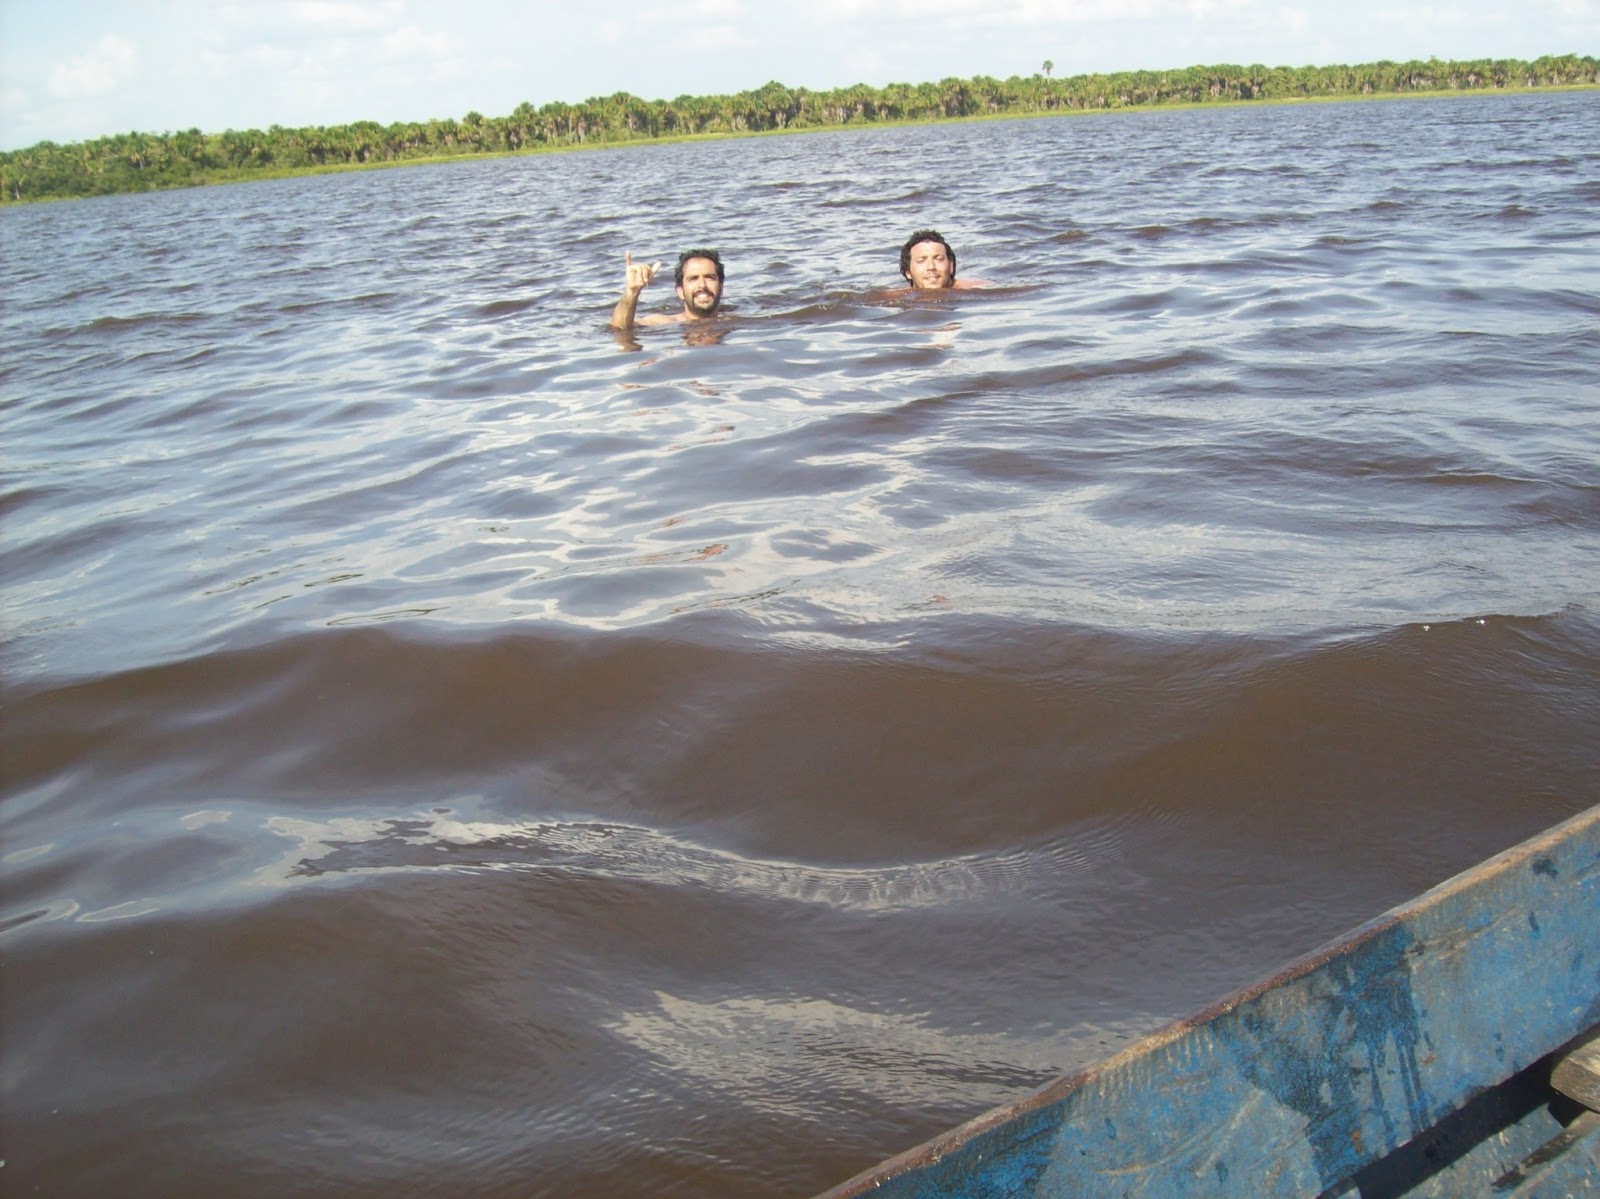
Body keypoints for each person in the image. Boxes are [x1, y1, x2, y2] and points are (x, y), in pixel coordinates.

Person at [610, 248, 725, 331]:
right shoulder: (666, 323)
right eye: (693, 279)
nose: (702, 285)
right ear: (680, 291)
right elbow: (620, 328)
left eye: (709, 277)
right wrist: (632, 292)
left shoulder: (734, 320)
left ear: (721, 286)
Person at [898, 229, 988, 290]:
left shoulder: (977, 288)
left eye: (939, 259)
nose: (931, 266)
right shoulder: (895, 298)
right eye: (921, 260)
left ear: (951, 266)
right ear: (908, 272)